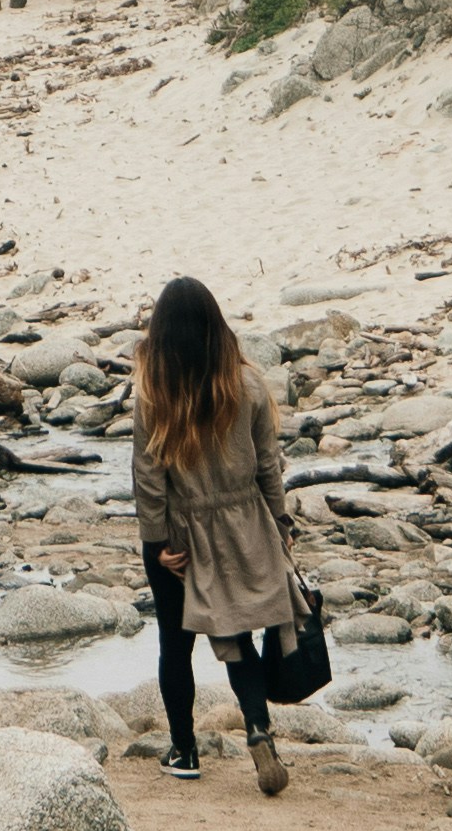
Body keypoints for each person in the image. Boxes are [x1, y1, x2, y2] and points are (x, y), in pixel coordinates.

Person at [131, 275, 317, 795]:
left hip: (183, 536)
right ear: (217, 327)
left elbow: (148, 477)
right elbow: (268, 469)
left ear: (162, 333)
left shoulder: (153, 393)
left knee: (175, 645)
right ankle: (258, 728)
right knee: (239, 638)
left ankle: (185, 750)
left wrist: (159, 541)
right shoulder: (248, 386)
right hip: (245, 524)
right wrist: (281, 528)